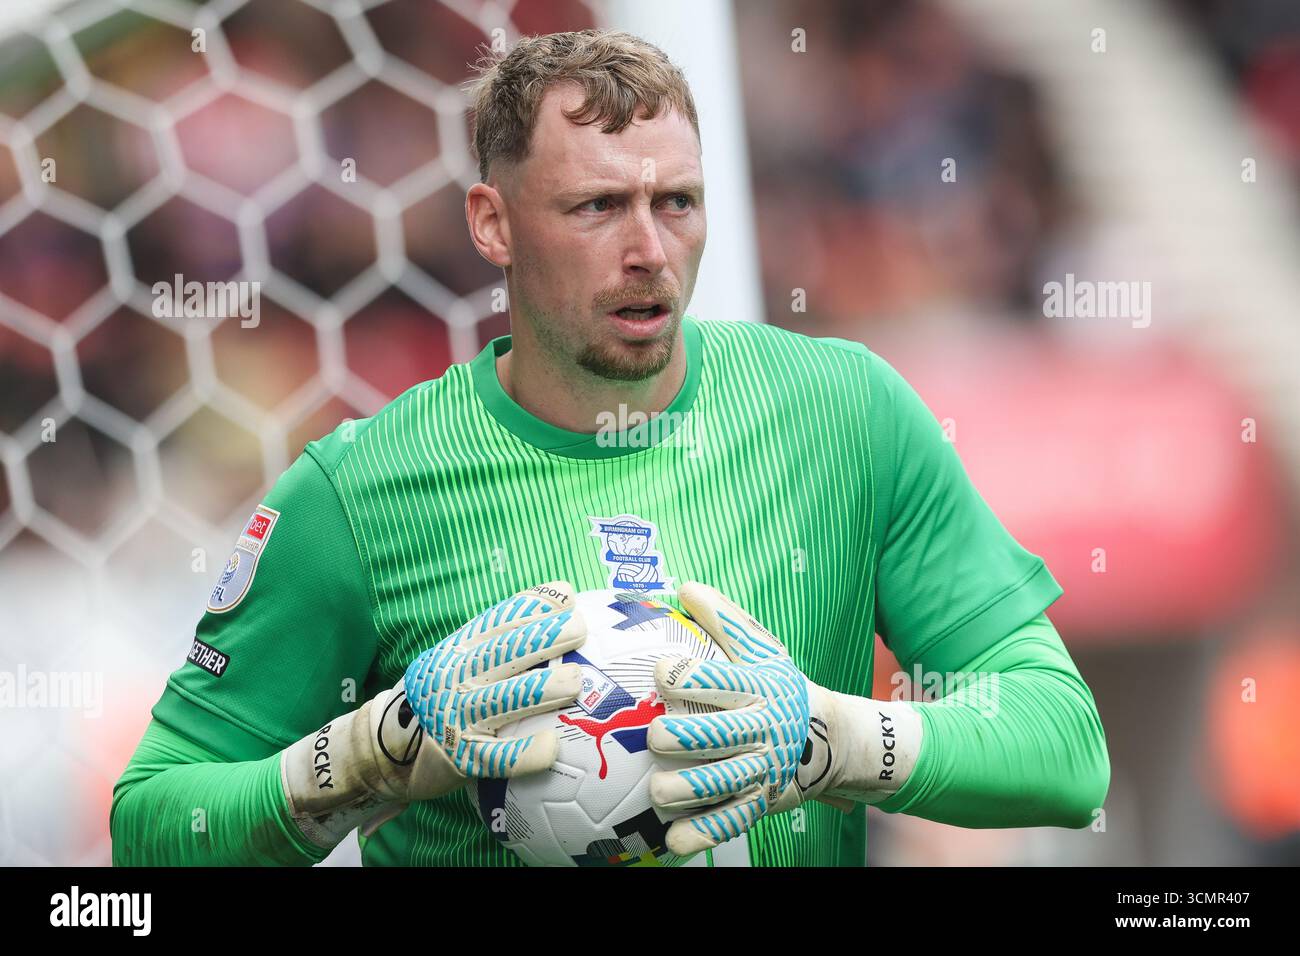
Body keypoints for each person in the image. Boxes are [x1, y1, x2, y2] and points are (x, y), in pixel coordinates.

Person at [111, 29, 1109, 867]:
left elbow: (1064, 750)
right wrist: (370, 751)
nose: (649, 250)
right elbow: (151, 825)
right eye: (597, 207)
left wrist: (826, 736)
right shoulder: (357, 491)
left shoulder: (846, 414)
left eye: (675, 201)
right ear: (492, 224)